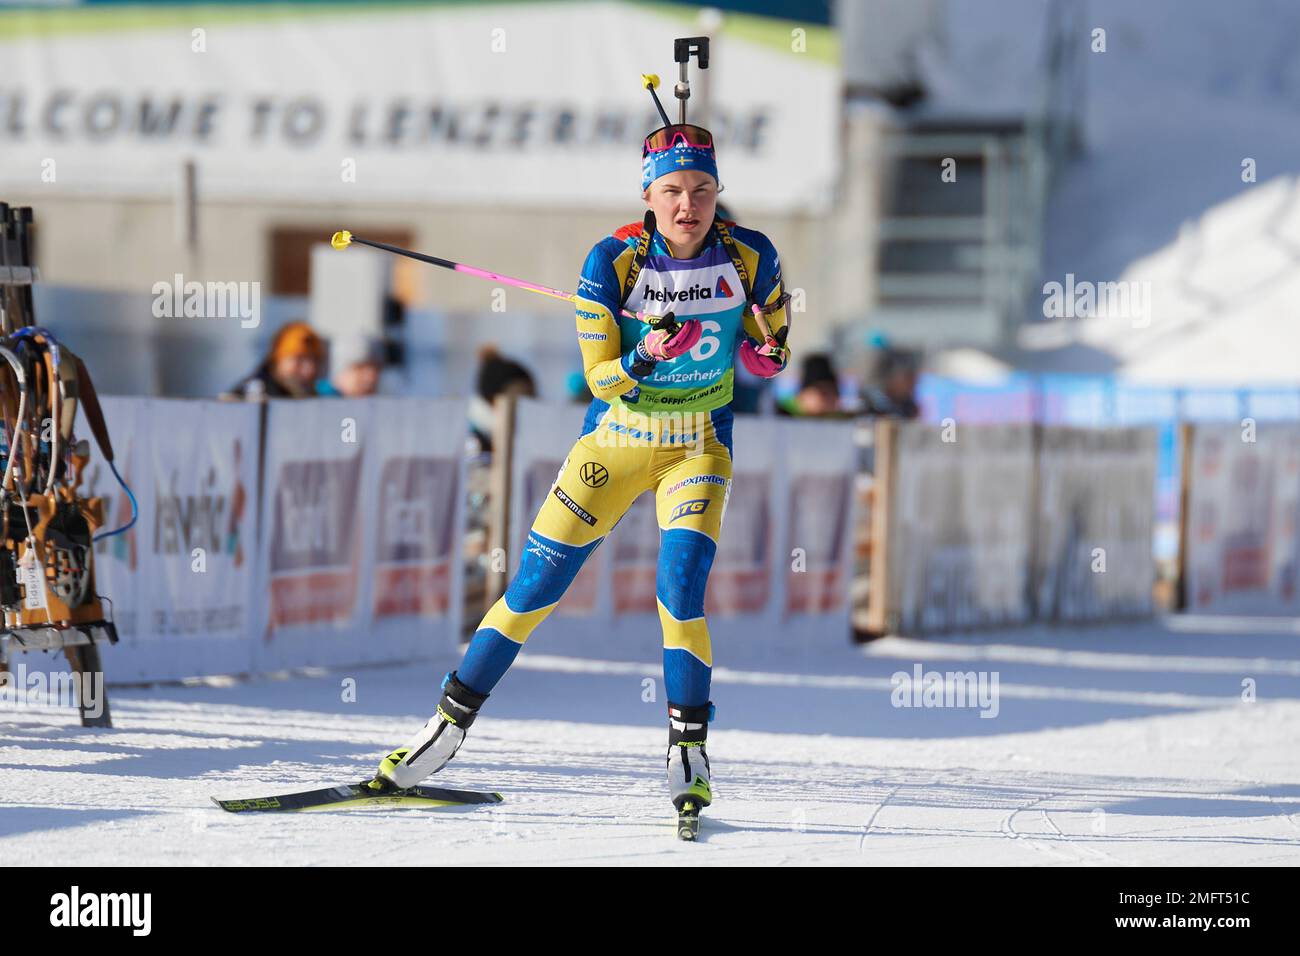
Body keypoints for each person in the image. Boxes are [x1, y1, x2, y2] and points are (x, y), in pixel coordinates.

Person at [372, 105, 792, 822]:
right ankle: (442, 733)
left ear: (716, 193)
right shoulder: (613, 261)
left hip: (698, 442)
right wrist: (644, 353)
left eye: (701, 189)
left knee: (680, 588)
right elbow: (599, 380)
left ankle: (688, 753)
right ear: (648, 197)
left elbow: (768, 352)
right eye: (672, 191)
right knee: (532, 590)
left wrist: (766, 350)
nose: (687, 204)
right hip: (616, 441)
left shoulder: (752, 255)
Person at [223, 321, 335, 400]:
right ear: (277, 359)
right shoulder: (252, 396)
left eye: (316, 360)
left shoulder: (315, 397)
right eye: (299, 359)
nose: (310, 370)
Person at [466, 346, 538, 454]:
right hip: (527, 400)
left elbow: (485, 392)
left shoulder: (487, 370)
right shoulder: (511, 364)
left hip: (508, 400)